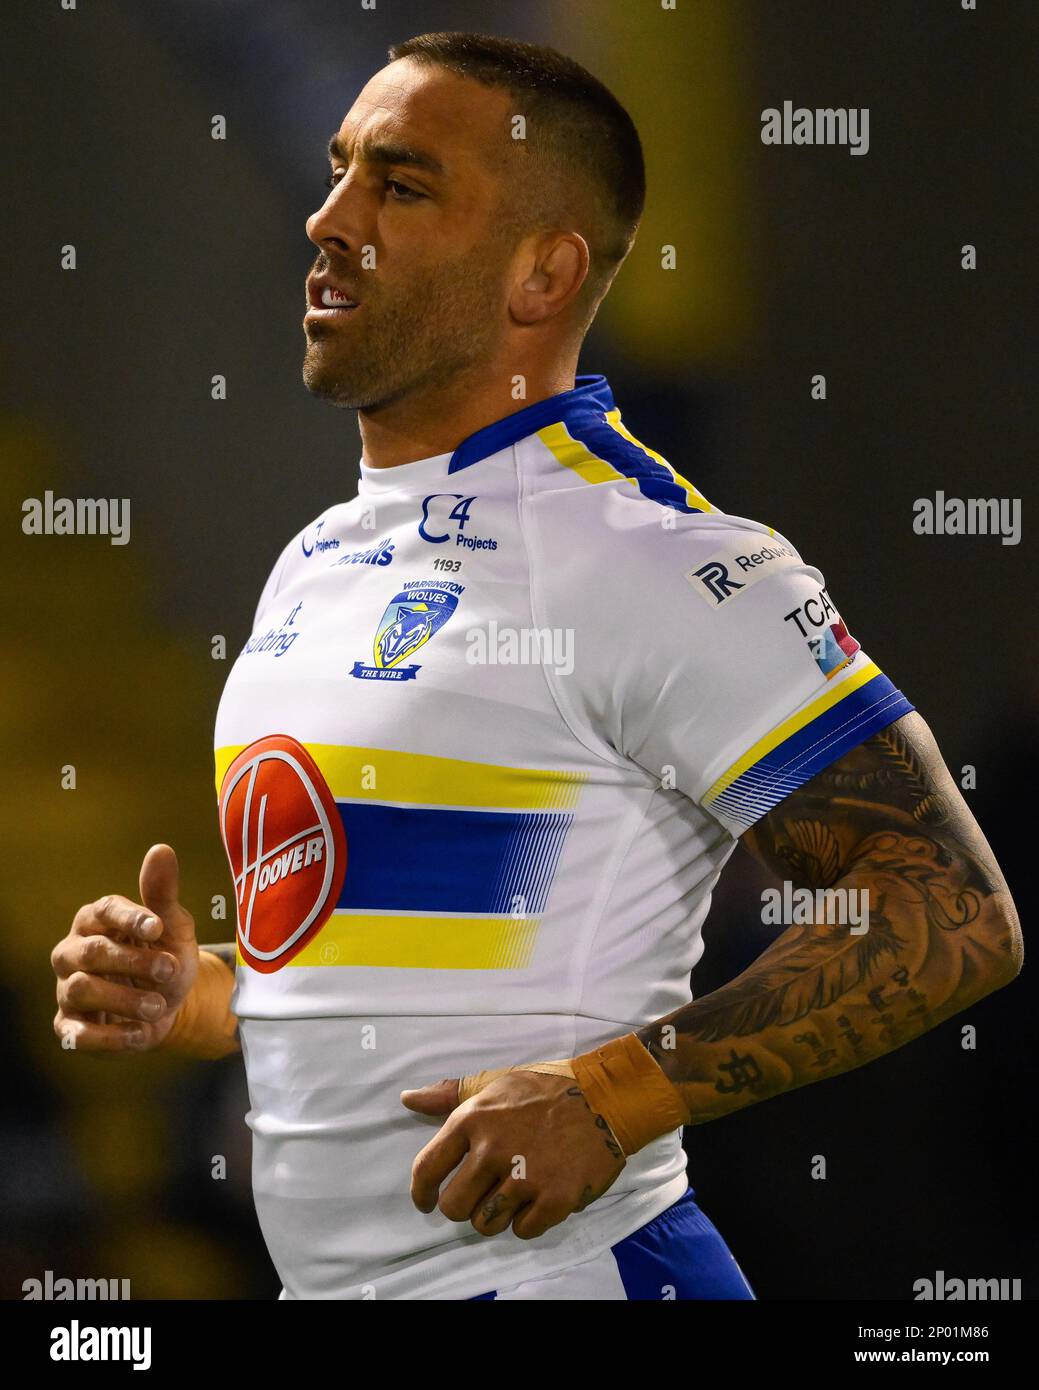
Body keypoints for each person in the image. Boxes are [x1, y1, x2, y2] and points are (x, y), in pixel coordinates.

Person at [51, 32, 1022, 1301]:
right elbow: (396, 974)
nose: (328, 215)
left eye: (398, 187)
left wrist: (612, 1096)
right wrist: (200, 1000)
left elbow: (946, 912)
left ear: (543, 271)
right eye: (340, 170)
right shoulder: (316, 560)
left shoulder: (654, 559)